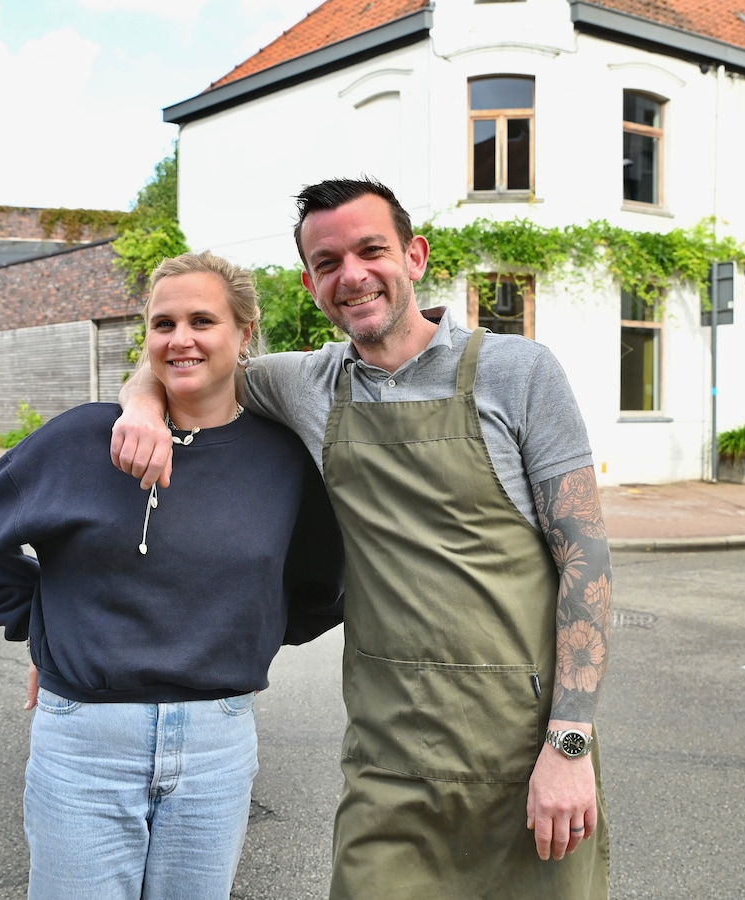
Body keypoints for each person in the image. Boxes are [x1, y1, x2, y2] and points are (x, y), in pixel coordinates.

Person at [112, 179, 613, 899]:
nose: (351, 275)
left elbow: (585, 561)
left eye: (370, 250)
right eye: (327, 262)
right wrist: (140, 405)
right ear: (311, 284)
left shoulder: (520, 372)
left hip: (528, 753)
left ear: (414, 256)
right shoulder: (304, 385)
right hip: (388, 764)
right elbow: (188, 357)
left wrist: (569, 742)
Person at [0, 251, 344, 900]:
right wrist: (43, 629)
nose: (180, 339)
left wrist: (235, 636)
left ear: (244, 333)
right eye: (164, 324)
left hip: (217, 744)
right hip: (85, 742)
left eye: (202, 321)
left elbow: (321, 582)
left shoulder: (283, 459)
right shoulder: (82, 439)